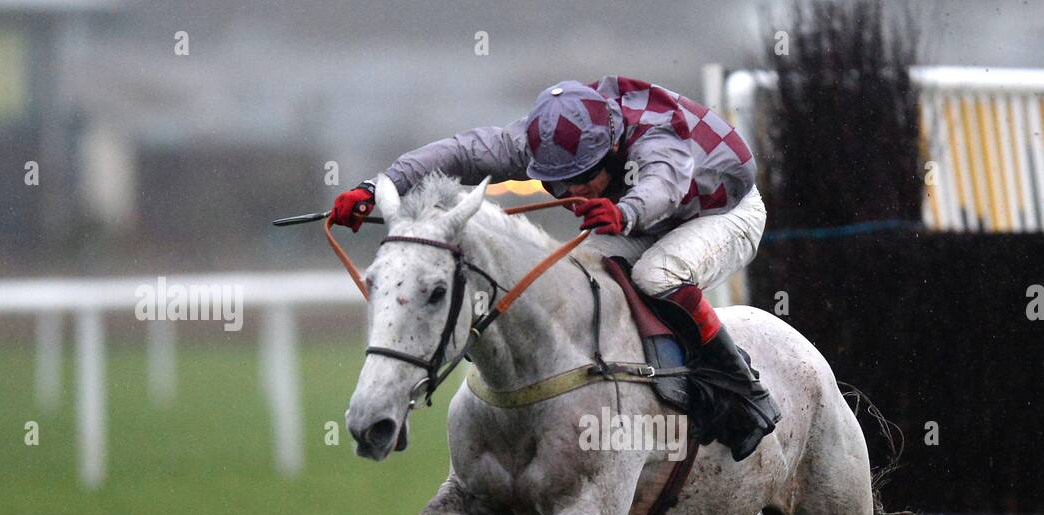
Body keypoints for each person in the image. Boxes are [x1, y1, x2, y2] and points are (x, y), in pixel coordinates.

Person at [332, 77, 780, 460]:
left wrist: (625, 213)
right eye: (557, 180)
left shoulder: (656, 138)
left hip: (723, 212)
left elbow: (662, 185)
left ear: (611, 150)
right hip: (644, 209)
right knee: (578, 276)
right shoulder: (537, 138)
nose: (570, 191)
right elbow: (457, 153)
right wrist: (377, 186)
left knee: (655, 276)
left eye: (582, 177)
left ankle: (742, 391)